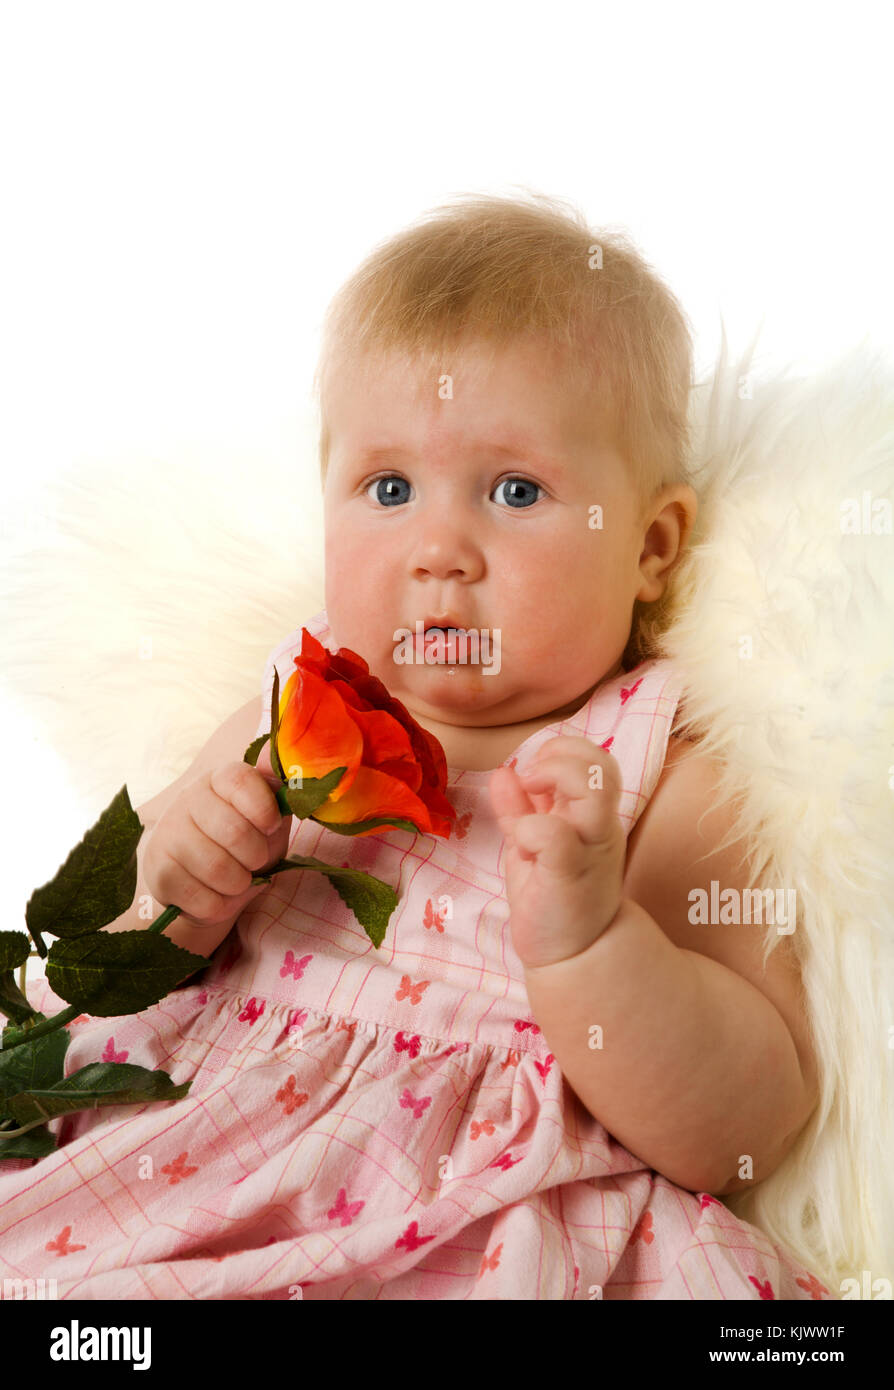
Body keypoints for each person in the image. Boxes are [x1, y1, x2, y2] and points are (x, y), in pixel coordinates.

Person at [0, 193, 829, 1300]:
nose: (441, 550)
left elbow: (744, 1124)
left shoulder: (649, 769)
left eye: (516, 490)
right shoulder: (287, 706)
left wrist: (590, 944)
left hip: (468, 1210)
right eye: (389, 488)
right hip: (194, 1155)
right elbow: (118, 960)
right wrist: (178, 879)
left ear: (650, 544)